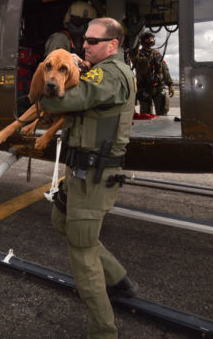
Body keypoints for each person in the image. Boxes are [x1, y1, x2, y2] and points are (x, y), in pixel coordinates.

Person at [40, 17, 137, 339]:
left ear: (112, 45)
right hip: (79, 171)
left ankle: (103, 332)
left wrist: (47, 80)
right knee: (60, 221)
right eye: (84, 40)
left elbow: (62, 99)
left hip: (95, 176)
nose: (84, 45)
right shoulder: (100, 71)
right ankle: (119, 279)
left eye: (93, 41)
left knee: (82, 253)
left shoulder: (112, 75)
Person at [129, 31, 174, 115]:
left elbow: (164, 69)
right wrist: (136, 40)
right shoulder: (137, 54)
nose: (150, 39)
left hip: (158, 87)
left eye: (151, 37)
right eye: (147, 38)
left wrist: (170, 84)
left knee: (162, 111)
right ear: (142, 41)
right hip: (144, 87)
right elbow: (132, 54)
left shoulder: (157, 54)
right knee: (146, 114)